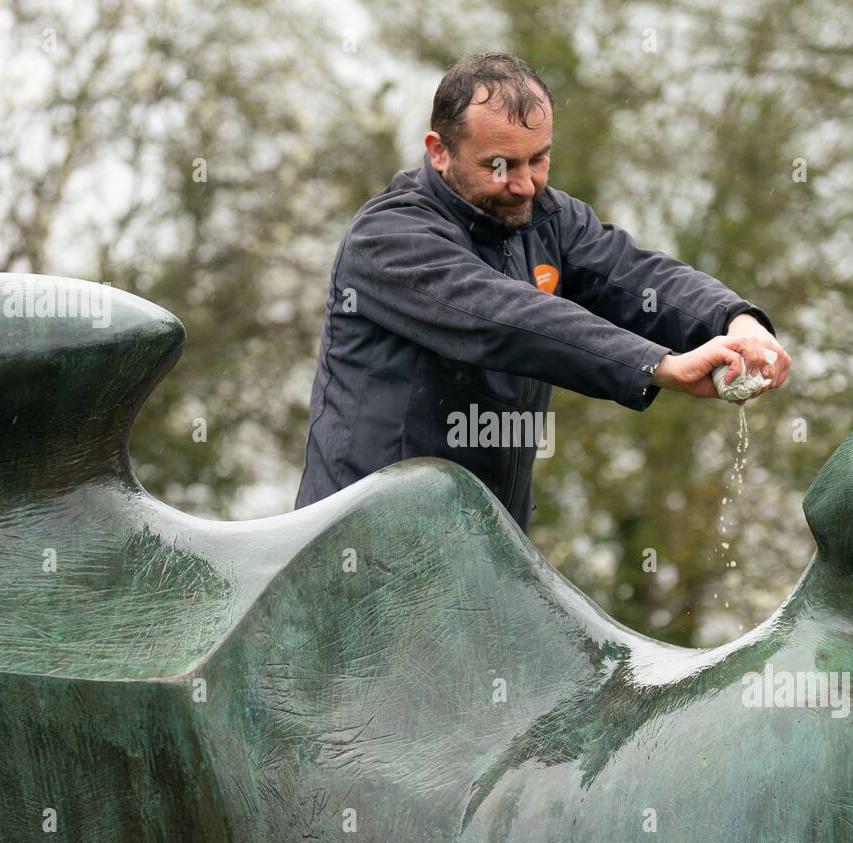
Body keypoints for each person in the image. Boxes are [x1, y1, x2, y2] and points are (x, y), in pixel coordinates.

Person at [295, 52, 791, 533]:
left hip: (489, 550)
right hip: (364, 547)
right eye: (500, 166)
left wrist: (736, 321)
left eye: (539, 159)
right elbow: (504, 319)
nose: (526, 185)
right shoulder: (388, 238)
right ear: (439, 150)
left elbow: (636, 274)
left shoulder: (550, 218)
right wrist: (661, 366)